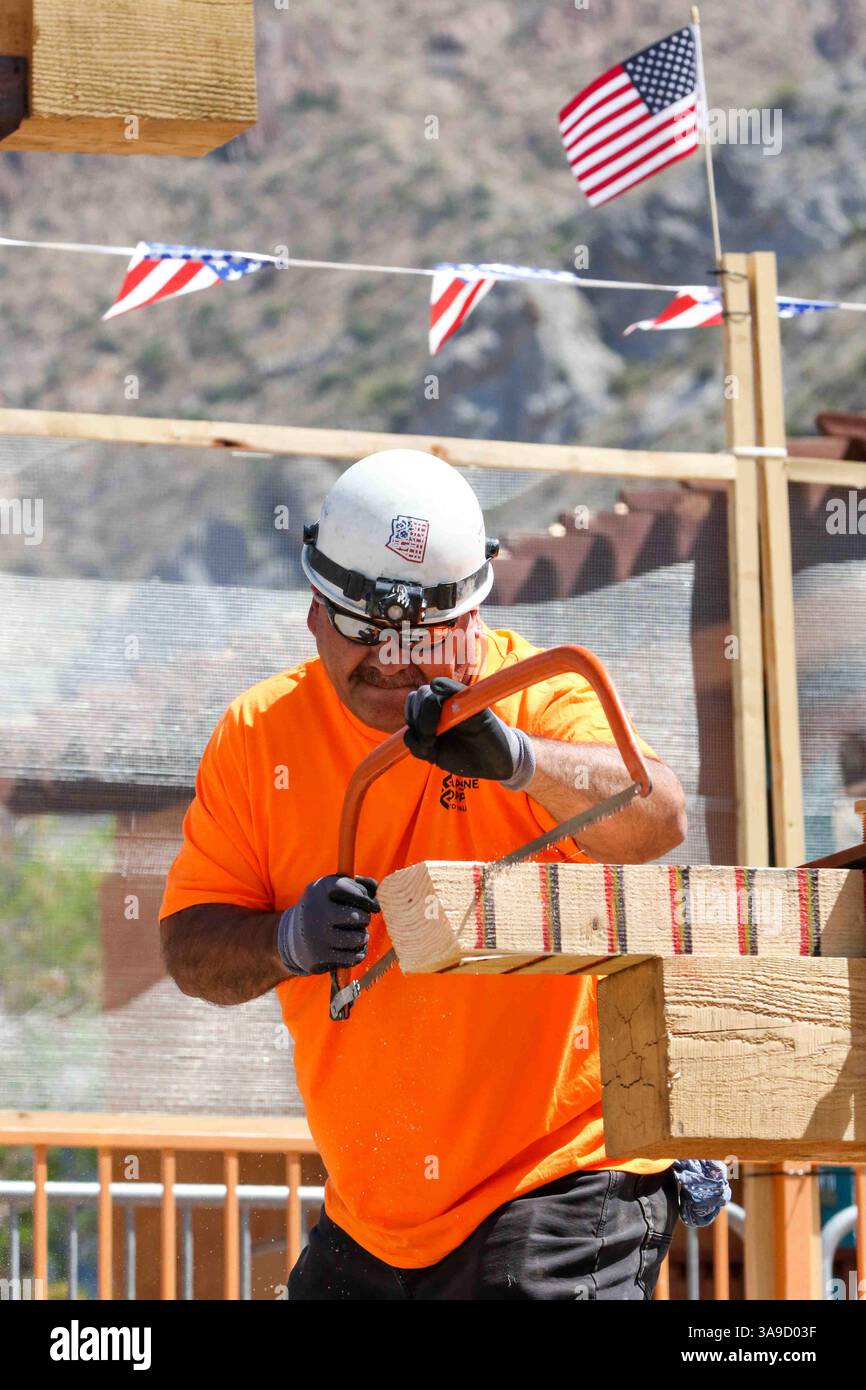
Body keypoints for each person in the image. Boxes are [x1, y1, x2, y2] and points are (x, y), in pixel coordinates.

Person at [159, 448, 688, 1300]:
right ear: (314, 615)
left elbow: (657, 816)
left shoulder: (533, 702)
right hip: (377, 1216)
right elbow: (189, 949)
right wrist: (286, 939)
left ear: (474, 618)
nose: (390, 664)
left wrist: (521, 762)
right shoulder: (259, 738)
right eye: (363, 632)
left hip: (560, 1175)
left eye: (421, 637)